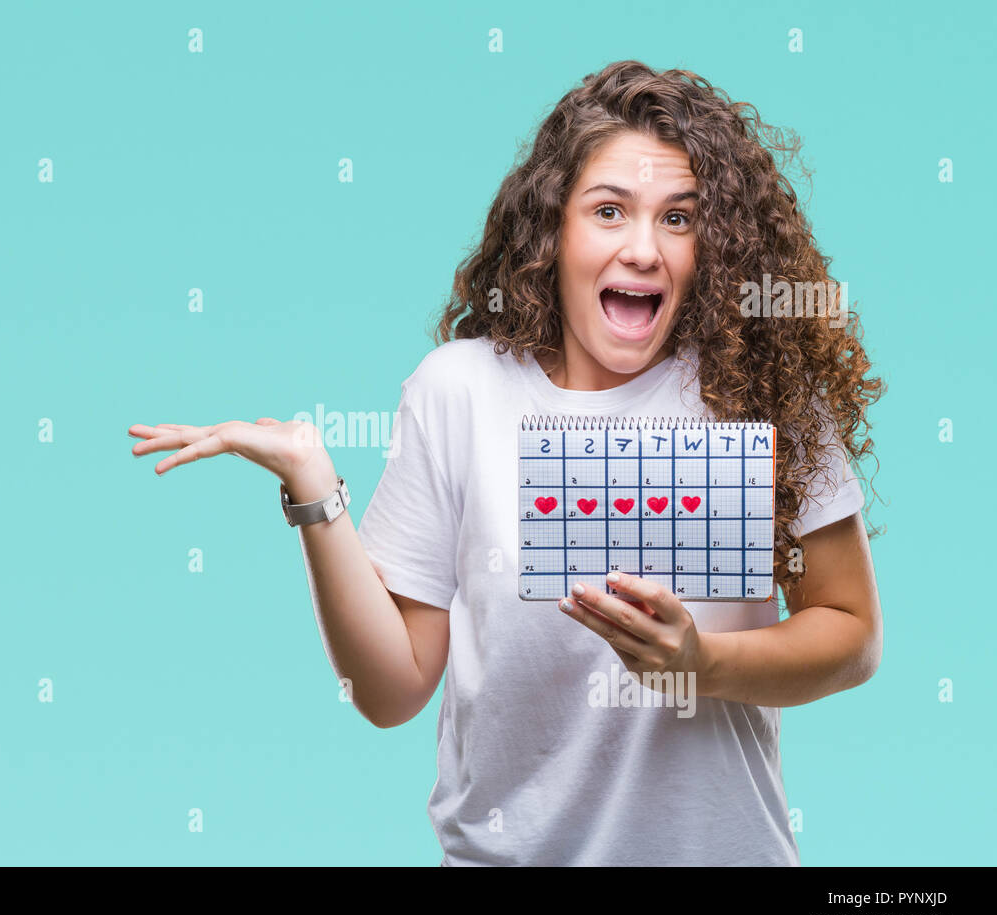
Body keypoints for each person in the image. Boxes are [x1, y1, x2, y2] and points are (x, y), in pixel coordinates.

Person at [128, 60, 884, 866]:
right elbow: (391, 691)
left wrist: (702, 662)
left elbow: (851, 634)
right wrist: (314, 490)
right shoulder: (460, 391)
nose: (642, 249)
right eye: (608, 211)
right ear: (553, 228)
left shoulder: (757, 386)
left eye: (678, 219)